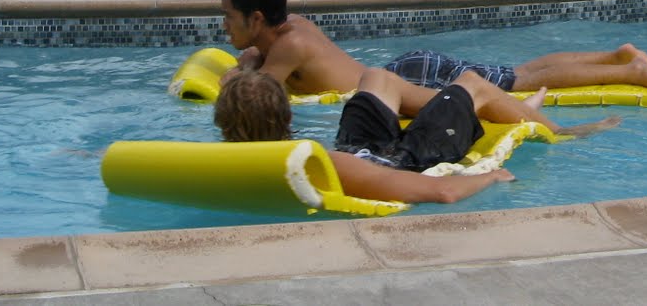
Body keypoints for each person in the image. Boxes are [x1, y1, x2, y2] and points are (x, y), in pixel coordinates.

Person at [219, 0, 647, 105]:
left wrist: (242, 68)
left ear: (257, 19)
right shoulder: (293, 26)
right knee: (517, 73)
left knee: (517, 80)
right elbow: (257, 60)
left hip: (407, 80)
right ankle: (615, 57)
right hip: (405, 70)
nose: (225, 29)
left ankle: (633, 70)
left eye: (230, 19)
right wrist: (253, 58)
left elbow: (249, 94)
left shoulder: (288, 46)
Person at [215, 68, 516, 204]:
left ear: (221, 124)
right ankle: (555, 128)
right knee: (470, 84)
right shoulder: (325, 165)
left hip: (357, 147)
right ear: (288, 116)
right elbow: (442, 192)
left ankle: (449, 106)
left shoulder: (220, 165)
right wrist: (489, 176)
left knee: (377, 77)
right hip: (405, 159)